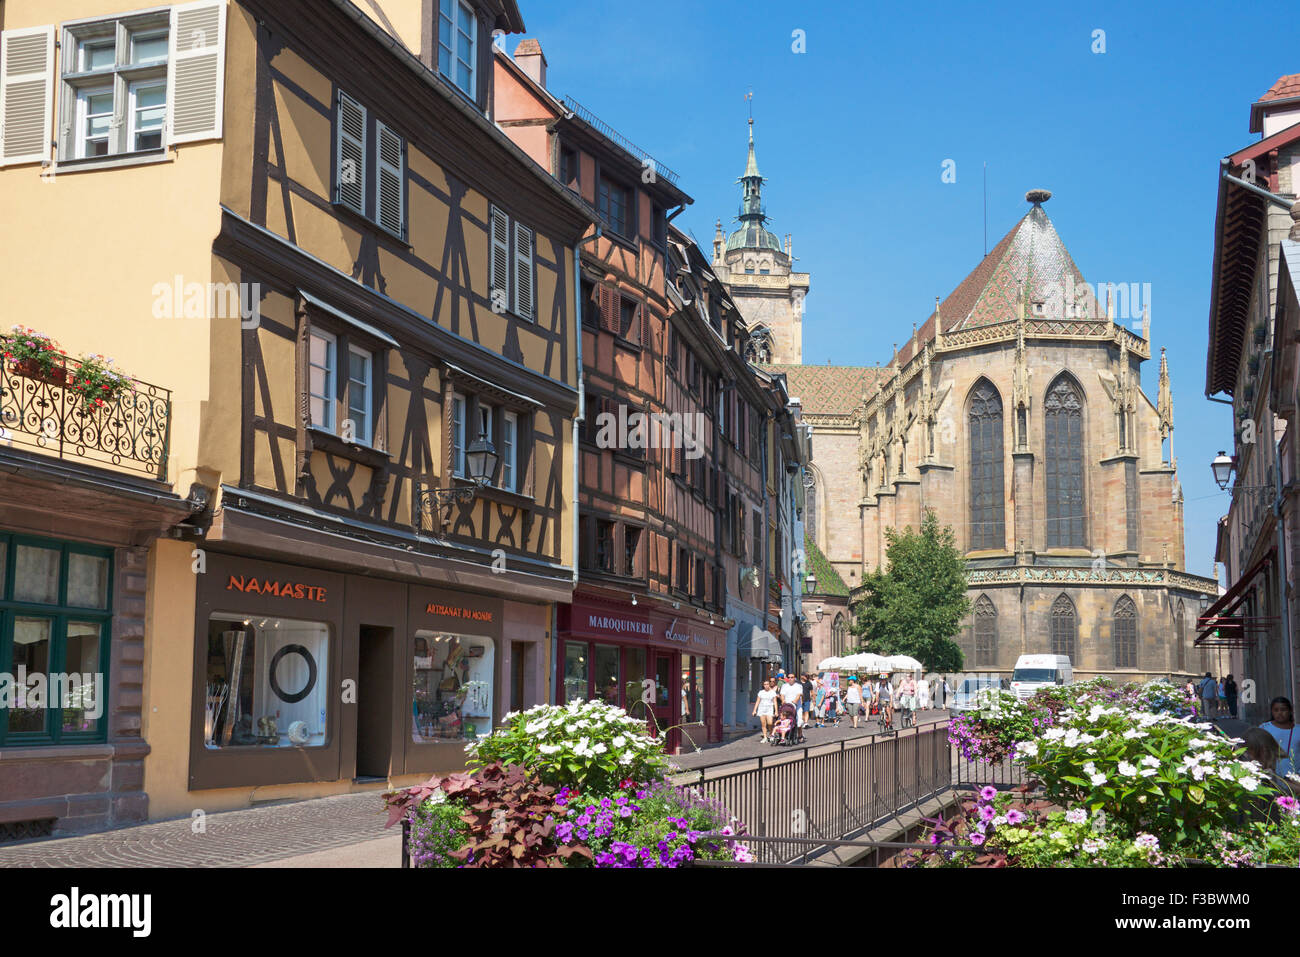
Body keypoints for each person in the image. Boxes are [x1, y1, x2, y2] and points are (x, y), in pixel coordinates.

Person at [1261, 697, 1300, 778]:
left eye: (1283, 710)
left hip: (1294, 776)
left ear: (1290, 711)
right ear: (1272, 712)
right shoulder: (1264, 728)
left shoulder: (1298, 730)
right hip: (1271, 776)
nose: (1280, 713)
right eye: (1276, 710)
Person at [780, 674, 803, 743]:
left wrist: (795, 701)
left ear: (794, 678)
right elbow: (782, 695)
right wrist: (783, 700)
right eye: (789, 677)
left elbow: (799, 695)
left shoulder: (798, 686)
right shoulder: (784, 686)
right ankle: (784, 735)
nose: (790, 679)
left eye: (792, 677)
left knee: (799, 721)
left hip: (796, 705)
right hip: (786, 706)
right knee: (785, 720)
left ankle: (800, 735)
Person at [753, 678, 778, 743]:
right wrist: (754, 710)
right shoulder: (761, 692)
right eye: (765, 684)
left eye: (767, 684)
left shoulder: (772, 692)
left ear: (769, 685)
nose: (766, 685)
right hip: (762, 709)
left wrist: (776, 711)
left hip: (769, 709)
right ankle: (765, 737)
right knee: (763, 724)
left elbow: (775, 702)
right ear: (763, 685)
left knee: (770, 723)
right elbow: (757, 701)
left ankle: (771, 735)